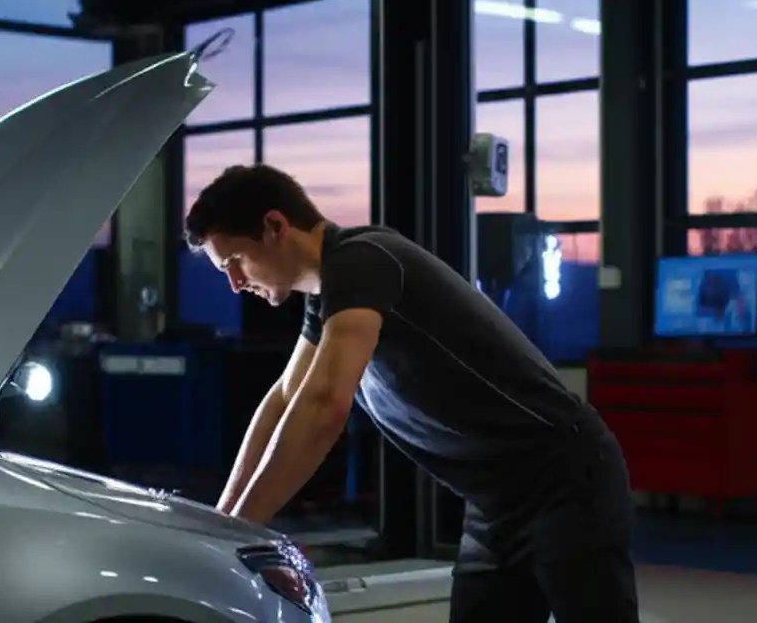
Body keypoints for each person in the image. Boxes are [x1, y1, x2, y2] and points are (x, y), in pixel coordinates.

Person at [184, 164, 640, 622]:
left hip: (565, 477)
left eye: (235, 262)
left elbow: (322, 406)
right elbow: (284, 399)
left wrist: (238, 535)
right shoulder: (325, 297)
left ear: (274, 226)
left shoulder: (363, 260)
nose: (236, 283)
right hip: (497, 500)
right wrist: (224, 525)